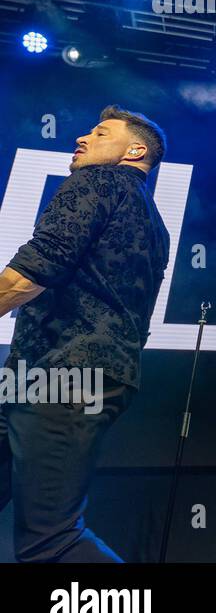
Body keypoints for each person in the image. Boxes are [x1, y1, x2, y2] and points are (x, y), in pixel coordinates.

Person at [0, 106, 171, 562]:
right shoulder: (156, 225)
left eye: (100, 133)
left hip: (63, 375)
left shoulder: (97, 182)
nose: (81, 138)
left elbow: (28, 276)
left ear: (135, 150)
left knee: (50, 541)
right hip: (57, 376)